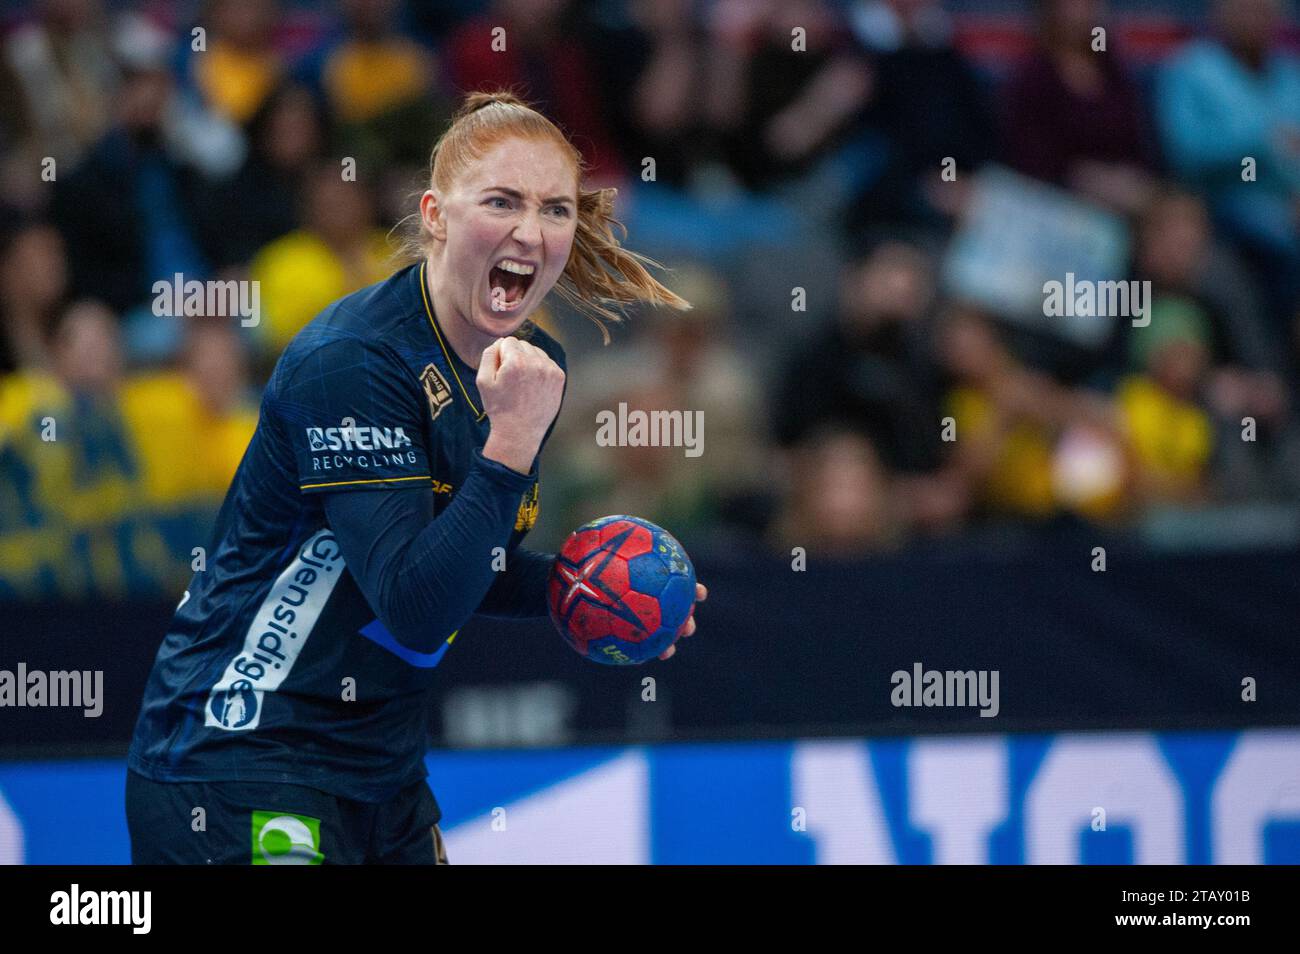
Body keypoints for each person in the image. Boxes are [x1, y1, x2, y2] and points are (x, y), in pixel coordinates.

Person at [125, 91, 704, 865]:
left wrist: (586, 594)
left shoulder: (531, 369)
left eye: (556, 210)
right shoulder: (352, 364)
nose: (530, 232)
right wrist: (511, 444)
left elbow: (462, 564)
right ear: (435, 214)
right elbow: (414, 608)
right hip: (240, 756)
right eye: (501, 202)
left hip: (381, 775)